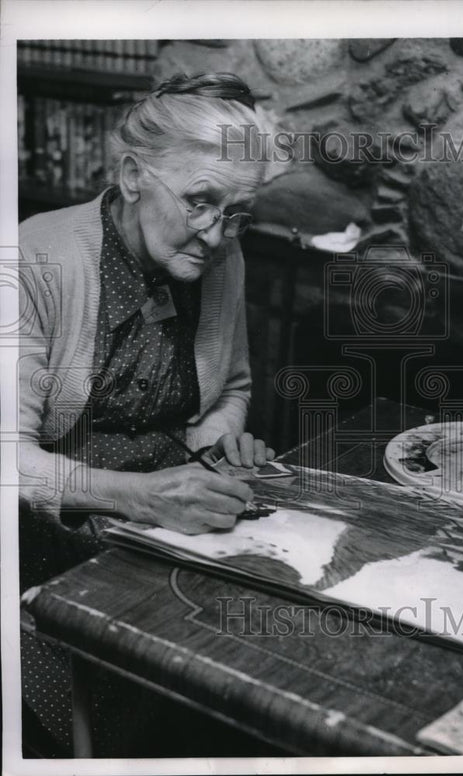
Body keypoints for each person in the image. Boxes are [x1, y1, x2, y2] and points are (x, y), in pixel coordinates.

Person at [18, 71, 275, 755]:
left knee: (251, 671)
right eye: (200, 201)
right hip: (50, 547)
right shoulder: (33, 259)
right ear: (133, 175)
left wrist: (219, 440)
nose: (218, 233)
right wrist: (141, 497)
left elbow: (234, 387)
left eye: (238, 211)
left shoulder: (221, 253)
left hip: (172, 530)